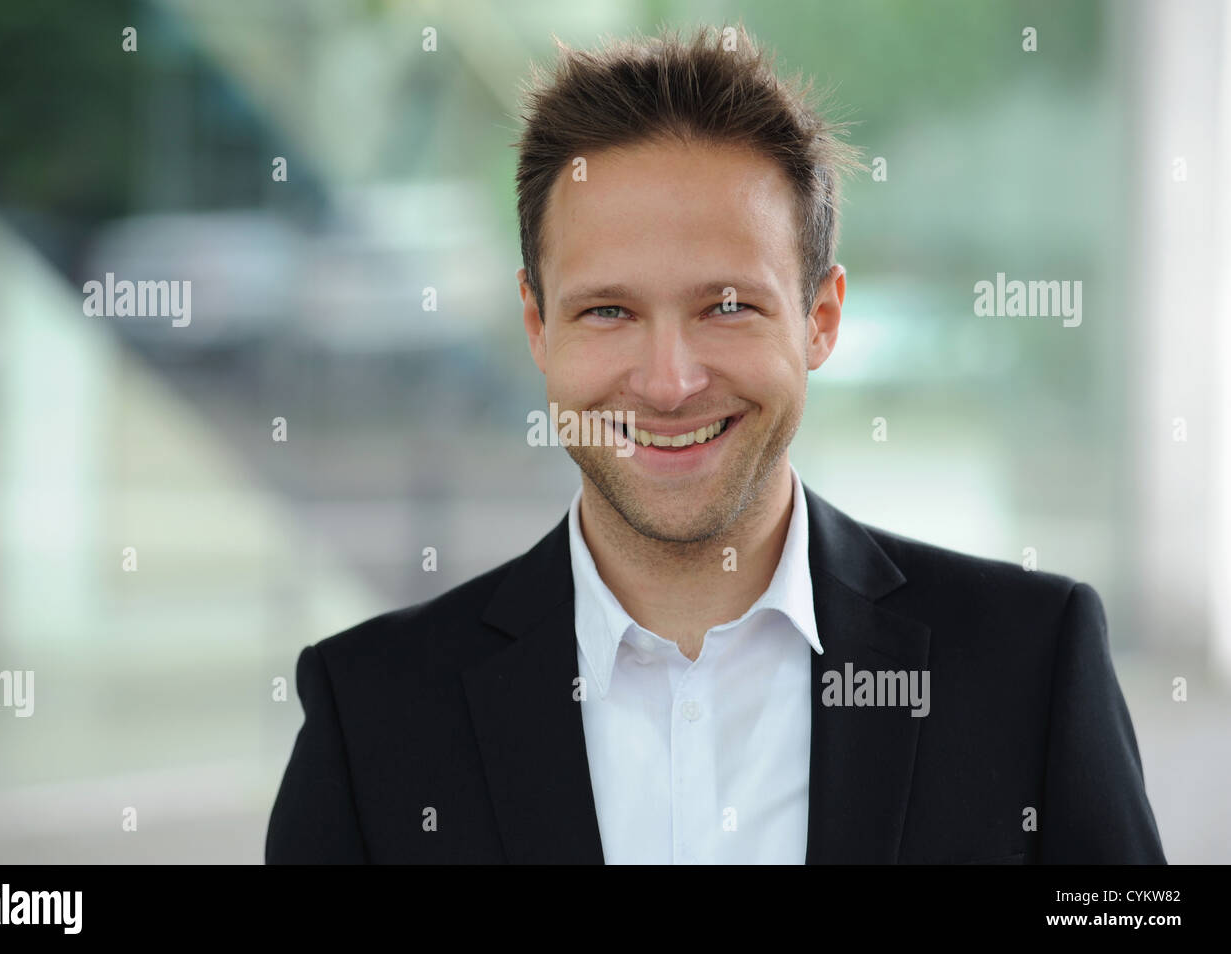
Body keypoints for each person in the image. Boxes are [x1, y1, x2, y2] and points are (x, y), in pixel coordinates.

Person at [266, 24, 1165, 864]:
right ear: (538, 327)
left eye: (727, 306)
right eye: (608, 310)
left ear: (820, 319)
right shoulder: (371, 712)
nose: (668, 382)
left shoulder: (1030, 667)